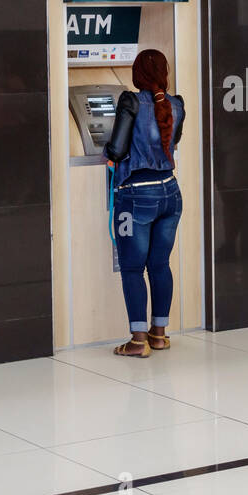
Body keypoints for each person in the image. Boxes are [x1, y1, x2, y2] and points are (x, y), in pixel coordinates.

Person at [104, 49, 185, 357]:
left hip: (136, 195)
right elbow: (170, 143)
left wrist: (108, 153)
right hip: (170, 192)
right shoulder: (177, 104)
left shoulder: (130, 101)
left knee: (133, 268)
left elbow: (117, 148)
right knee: (160, 265)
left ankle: (138, 341)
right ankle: (159, 335)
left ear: (137, 75)